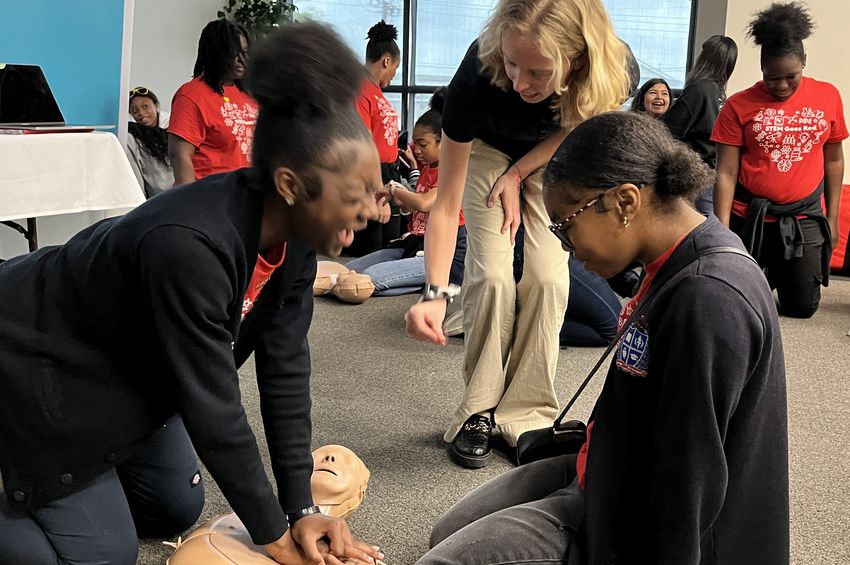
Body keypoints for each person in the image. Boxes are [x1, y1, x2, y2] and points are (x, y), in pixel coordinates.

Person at [0, 22, 385, 565]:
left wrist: (298, 508)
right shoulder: (187, 245)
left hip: (125, 369)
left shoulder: (295, 241)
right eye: (355, 195)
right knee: (101, 557)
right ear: (290, 186)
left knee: (175, 506)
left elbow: (285, 372)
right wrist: (274, 538)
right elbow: (213, 404)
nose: (371, 211)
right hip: (38, 359)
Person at [418, 110, 789, 565]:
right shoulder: (669, 263)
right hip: (609, 466)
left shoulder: (707, 298)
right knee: (446, 533)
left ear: (625, 202)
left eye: (565, 225)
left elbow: (688, 480)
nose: (563, 245)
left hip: (633, 520)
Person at [404, 0, 633, 469]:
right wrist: (434, 293)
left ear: (578, 60)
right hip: (484, 150)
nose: (519, 82)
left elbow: (577, 126)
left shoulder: (609, 68)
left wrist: (522, 172)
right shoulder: (478, 71)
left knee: (549, 279)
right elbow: (445, 206)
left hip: (553, 155)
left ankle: (527, 413)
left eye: (537, 72)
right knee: (491, 277)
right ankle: (479, 410)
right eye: (512, 64)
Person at [712, 1, 846, 318]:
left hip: (804, 218)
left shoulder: (828, 96)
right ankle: (758, 278)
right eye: (773, 78)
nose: (782, 85)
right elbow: (726, 172)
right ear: (762, 70)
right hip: (751, 216)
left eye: (791, 76)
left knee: (801, 308)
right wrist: (721, 228)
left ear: (804, 63)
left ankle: (772, 278)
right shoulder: (738, 105)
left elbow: (834, 160)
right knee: (734, 303)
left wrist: (833, 217)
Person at [346, 89, 467, 295]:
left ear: (443, 142)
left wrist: (394, 190)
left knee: (366, 281)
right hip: (414, 243)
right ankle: (419, 281)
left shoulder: (452, 170)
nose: (417, 150)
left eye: (423, 145)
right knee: (350, 271)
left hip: (440, 251)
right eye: (416, 143)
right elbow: (417, 208)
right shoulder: (427, 169)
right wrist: (402, 199)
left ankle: (434, 282)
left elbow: (424, 203)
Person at [168, 19, 258, 185]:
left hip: (246, 194)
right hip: (210, 197)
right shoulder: (192, 95)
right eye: (233, 53)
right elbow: (179, 154)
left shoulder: (249, 93)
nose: (241, 59)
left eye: (244, 52)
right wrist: (188, 203)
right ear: (216, 53)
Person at [346, 20, 403, 257]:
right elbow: (361, 145)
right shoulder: (360, 91)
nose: (393, 75)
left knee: (389, 250)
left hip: (389, 174)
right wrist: (375, 191)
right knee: (371, 254)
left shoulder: (376, 92)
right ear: (386, 61)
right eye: (395, 68)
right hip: (372, 176)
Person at [664, 35, 738, 214]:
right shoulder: (719, 94)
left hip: (696, 179)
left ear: (704, 58)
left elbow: (667, 131)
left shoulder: (700, 89)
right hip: (714, 176)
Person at [127, 86, 175, 198]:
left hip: (180, 192)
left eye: (145, 106)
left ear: (156, 106)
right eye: (135, 110)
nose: (141, 113)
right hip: (154, 199)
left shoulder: (174, 126)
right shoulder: (132, 136)